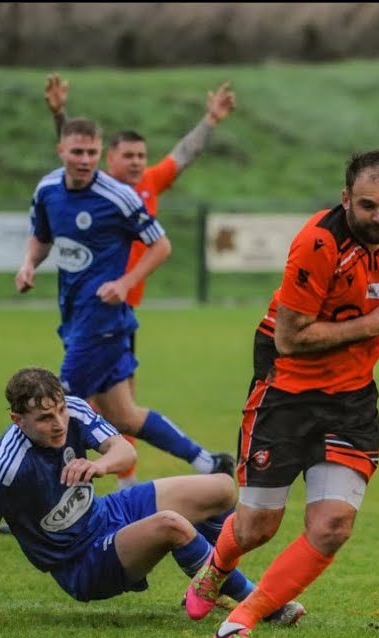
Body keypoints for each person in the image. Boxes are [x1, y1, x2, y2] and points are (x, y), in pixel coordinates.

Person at [182, 150, 379, 638]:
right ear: (345, 199)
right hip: (286, 394)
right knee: (258, 527)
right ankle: (215, 568)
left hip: (350, 404)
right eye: (367, 205)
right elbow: (291, 339)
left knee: (332, 526)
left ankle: (239, 622)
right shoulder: (316, 244)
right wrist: (373, 324)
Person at [0, 367, 303, 625]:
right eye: (44, 418)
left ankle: (211, 580)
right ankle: (261, 604)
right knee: (171, 525)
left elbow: (125, 452)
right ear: (17, 420)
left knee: (221, 487)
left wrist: (100, 466)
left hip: (106, 513)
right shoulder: (6, 469)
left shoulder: (75, 410)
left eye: (61, 411)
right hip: (81, 563)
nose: (58, 424)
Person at [43, 73, 237, 491]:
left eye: (140, 156)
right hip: (94, 310)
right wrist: (60, 114)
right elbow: (73, 157)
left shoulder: (146, 185)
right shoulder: (96, 187)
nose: (135, 162)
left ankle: (55, 496)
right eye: (127, 155)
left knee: (69, 404)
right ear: (107, 159)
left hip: (112, 314)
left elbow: (184, 154)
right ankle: (201, 464)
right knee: (119, 411)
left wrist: (210, 120)